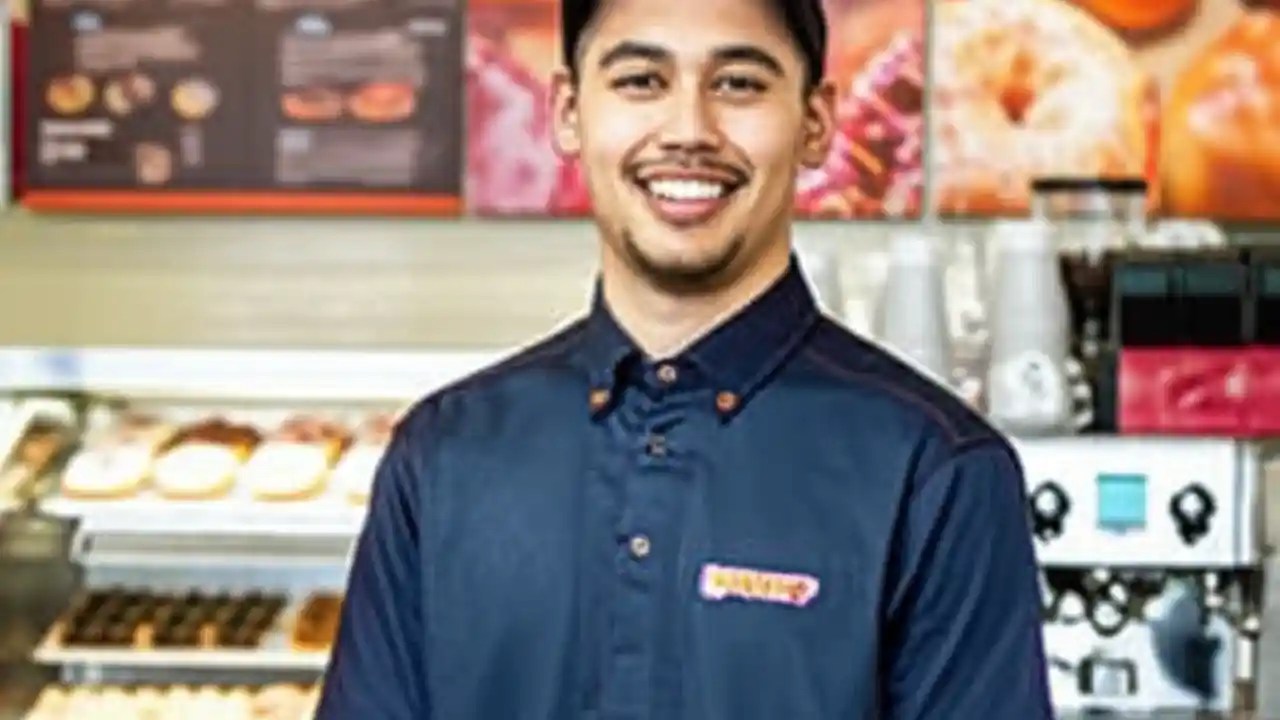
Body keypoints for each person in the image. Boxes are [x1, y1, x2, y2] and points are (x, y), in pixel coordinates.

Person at [315, 0, 1053, 717]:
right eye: (641, 80)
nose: (689, 130)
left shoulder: (935, 474)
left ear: (815, 122)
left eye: (738, 83)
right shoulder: (443, 455)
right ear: (569, 112)